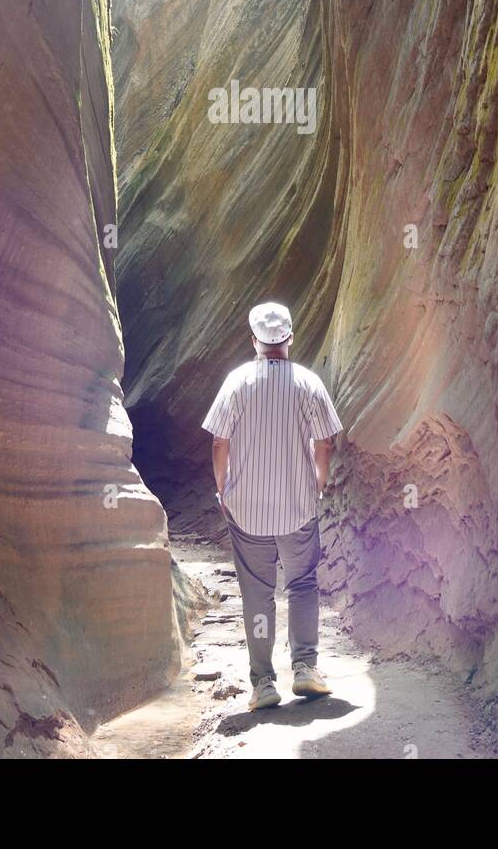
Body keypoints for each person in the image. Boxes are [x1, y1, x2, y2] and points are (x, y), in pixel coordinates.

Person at [201, 301, 343, 711]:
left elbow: (218, 441)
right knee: (301, 585)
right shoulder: (309, 384)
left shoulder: (236, 382)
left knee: (257, 593)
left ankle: (264, 684)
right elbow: (325, 442)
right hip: (298, 505)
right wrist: (317, 485)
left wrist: (223, 489)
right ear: (290, 338)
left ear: (254, 342)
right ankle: (305, 669)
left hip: (247, 510)